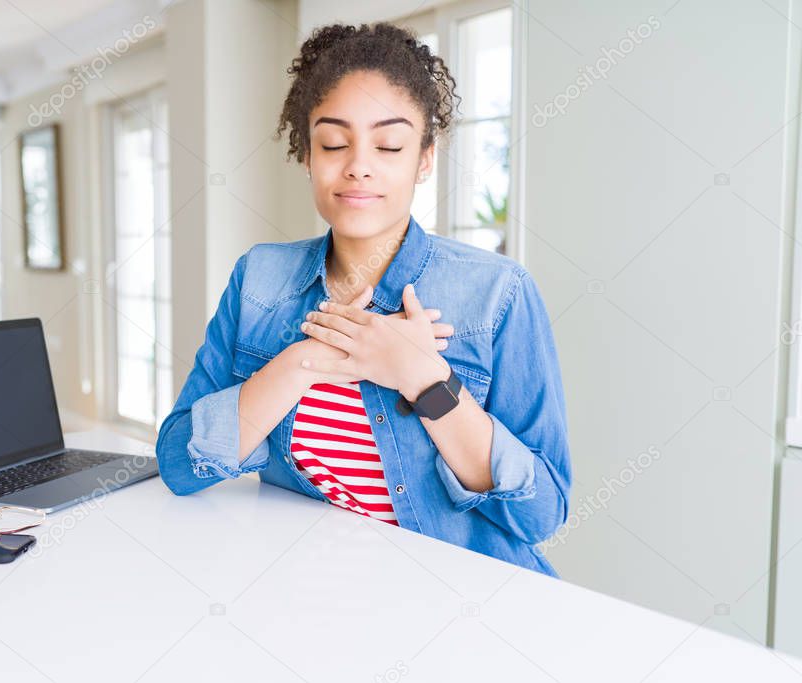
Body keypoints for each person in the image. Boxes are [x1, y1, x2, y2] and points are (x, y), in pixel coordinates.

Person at [156, 22, 571, 576]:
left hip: (462, 598)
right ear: (307, 154)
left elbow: (542, 513)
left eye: (390, 145)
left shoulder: (498, 292)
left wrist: (426, 380)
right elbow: (178, 464)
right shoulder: (258, 279)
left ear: (424, 159)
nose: (358, 165)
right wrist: (306, 360)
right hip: (308, 593)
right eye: (333, 143)